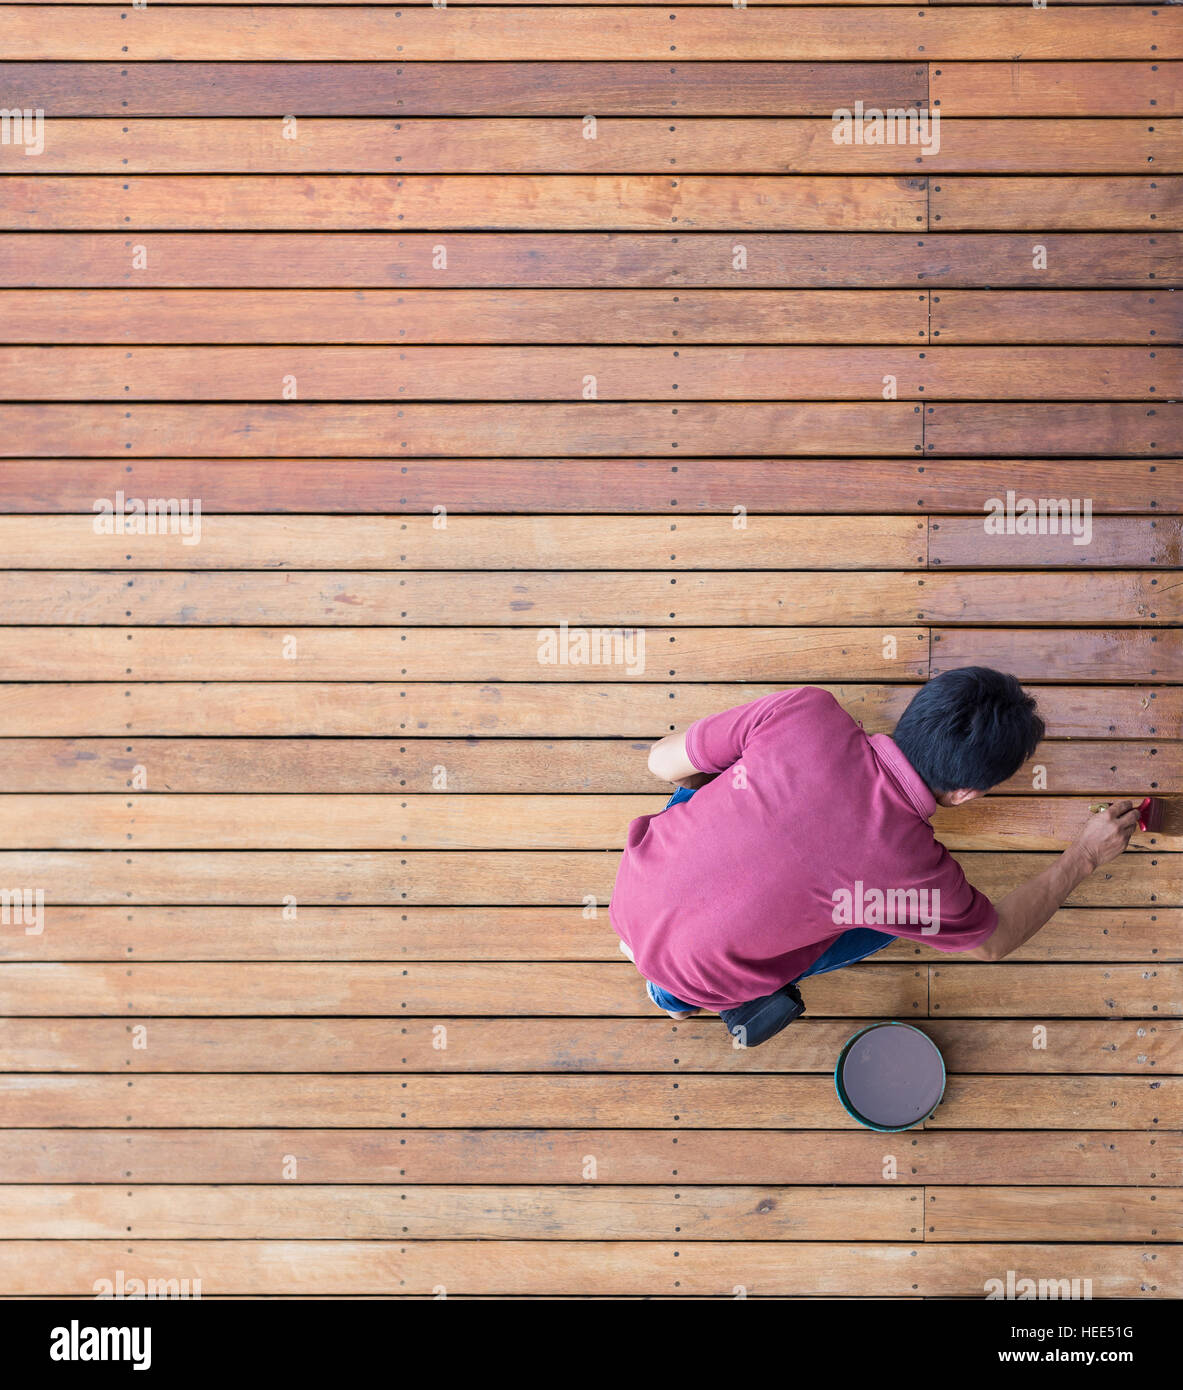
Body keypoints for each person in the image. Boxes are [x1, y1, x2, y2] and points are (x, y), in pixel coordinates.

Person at [609, 667, 1140, 1046]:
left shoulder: (804, 708)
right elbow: (993, 942)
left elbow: (662, 762)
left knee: (713, 787)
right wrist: (1085, 856)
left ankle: (657, 952)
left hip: (630, 893)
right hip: (691, 976)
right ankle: (672, 999)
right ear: (966, 794)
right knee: (892, 920)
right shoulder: (919, 877)